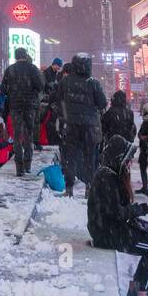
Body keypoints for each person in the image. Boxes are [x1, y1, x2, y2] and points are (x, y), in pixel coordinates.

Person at [87, 136, 148, 296]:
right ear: (119, 158)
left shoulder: (109, 174)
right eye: (128, 159)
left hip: (108, 228)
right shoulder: (107, 178)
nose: (130, 163)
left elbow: (117, 212)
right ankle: (144, 294)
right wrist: (140, 209)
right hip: (106, 233)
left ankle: (135, 288)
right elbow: (118, 213)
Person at [58, 54, 107, 196]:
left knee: (69, 157)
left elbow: (59, 100)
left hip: (71, 125)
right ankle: (89, 186)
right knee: (90, 157)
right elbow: (102, 103)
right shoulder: (93, 83)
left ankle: (69, 188)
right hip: (89, 127)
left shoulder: (65, 81)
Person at [1, 47, 44, 175]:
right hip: (29, 106)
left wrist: (13, 93)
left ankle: (19, 167)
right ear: (25, 55)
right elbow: (40, 86)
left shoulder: (10, 70)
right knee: (28, 134)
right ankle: (28, 164)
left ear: (15, 56)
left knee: (17, 135)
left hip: (15, 106)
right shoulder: (32, 68)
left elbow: (3, 89)